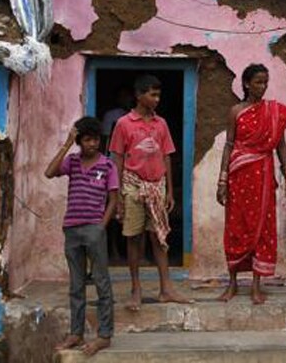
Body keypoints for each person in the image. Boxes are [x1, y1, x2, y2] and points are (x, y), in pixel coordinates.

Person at [109, 74, 192, 310]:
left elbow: (166, 156)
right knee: (134, 239)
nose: (157, 99)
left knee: (160, 238)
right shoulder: (124, 124)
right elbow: (117, 159)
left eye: (158, 95)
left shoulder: (161, 124)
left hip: (157, 186)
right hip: (132, 186)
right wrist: (117, 196)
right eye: (152, 94)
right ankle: (136, 289)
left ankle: (166, 289)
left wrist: (169, 192)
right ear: (138, 95)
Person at [216, 63, 286, 304]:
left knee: (262, 228)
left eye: (265, 82)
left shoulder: (273, 112)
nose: (263, 87)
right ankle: (232, 283)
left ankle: (256, 286)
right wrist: (222, 180)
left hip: (263, 176)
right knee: (236, 228)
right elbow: (229, 145)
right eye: (258, 82)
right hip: (239, 177)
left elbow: (280, 145)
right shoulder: (235, 111)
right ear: (247, 84)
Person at [45, 116, 118, 356]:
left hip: (94, 230)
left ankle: (104, 335)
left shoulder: (107, 165)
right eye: (87, 139)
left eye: (95, 139)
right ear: (80, 141)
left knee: (101, 282)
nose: (92, 144)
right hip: (72, 229)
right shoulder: (72, 162)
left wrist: (100, 227)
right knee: (76, 285)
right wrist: (67, 143)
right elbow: (49, 172)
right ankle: (75, 333)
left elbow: (113, 200)